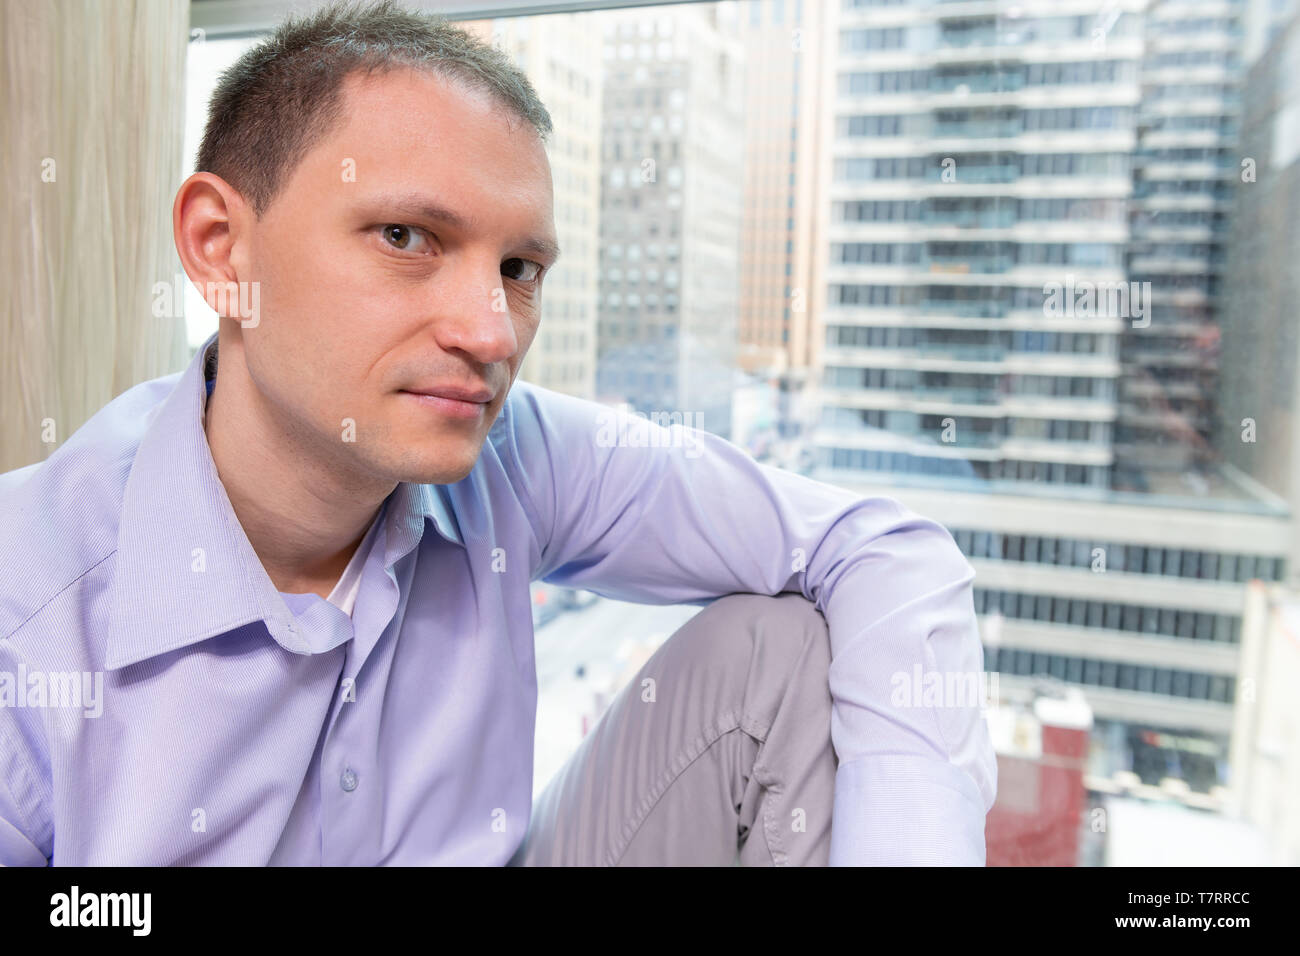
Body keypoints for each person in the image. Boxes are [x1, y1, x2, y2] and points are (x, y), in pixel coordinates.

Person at [0, 0, 996, 866]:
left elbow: (879, 546)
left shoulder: (512, 451)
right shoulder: (26, 616)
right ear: (221, 248)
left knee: (781, 649)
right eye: (405, 237)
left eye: (519, 267)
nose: (488, 332)